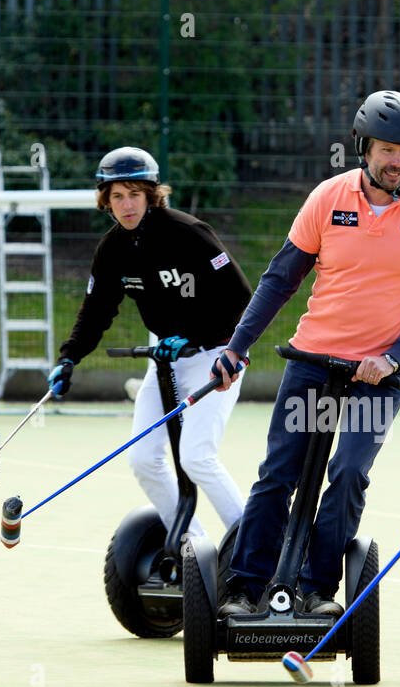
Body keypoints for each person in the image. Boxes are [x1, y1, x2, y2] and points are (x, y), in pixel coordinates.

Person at [212, 90, 400, 617]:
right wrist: (237, 346)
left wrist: (393, 358)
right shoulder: (328, 198)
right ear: (363, 147)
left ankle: (317, 588)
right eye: (388, 150)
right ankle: (243, 586)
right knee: (281, 470)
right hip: (314, 362)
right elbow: (280, 279)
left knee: (348, 472)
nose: (397, 162)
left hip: (379, 374)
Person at [51, 147, 251, 539]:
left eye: (134, 194)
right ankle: (195, 547)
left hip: (217, 358)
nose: (127, 205)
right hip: (165, 363)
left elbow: (241, 298)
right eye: (117, 196)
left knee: (196, 457)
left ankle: (254, 550)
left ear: (151, 194)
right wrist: (69, 357)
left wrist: (196, 338)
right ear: (106, 200)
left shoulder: (190, 233)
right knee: (143, 460)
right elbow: (96, 311)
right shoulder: (112, 250)